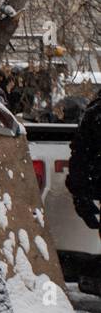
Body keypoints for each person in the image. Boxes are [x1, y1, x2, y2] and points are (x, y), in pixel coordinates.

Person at [66, 88, 101, 234]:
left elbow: (80, 158)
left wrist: (80, 198)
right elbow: (80, 158)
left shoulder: (95, 114)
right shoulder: (95, 114)